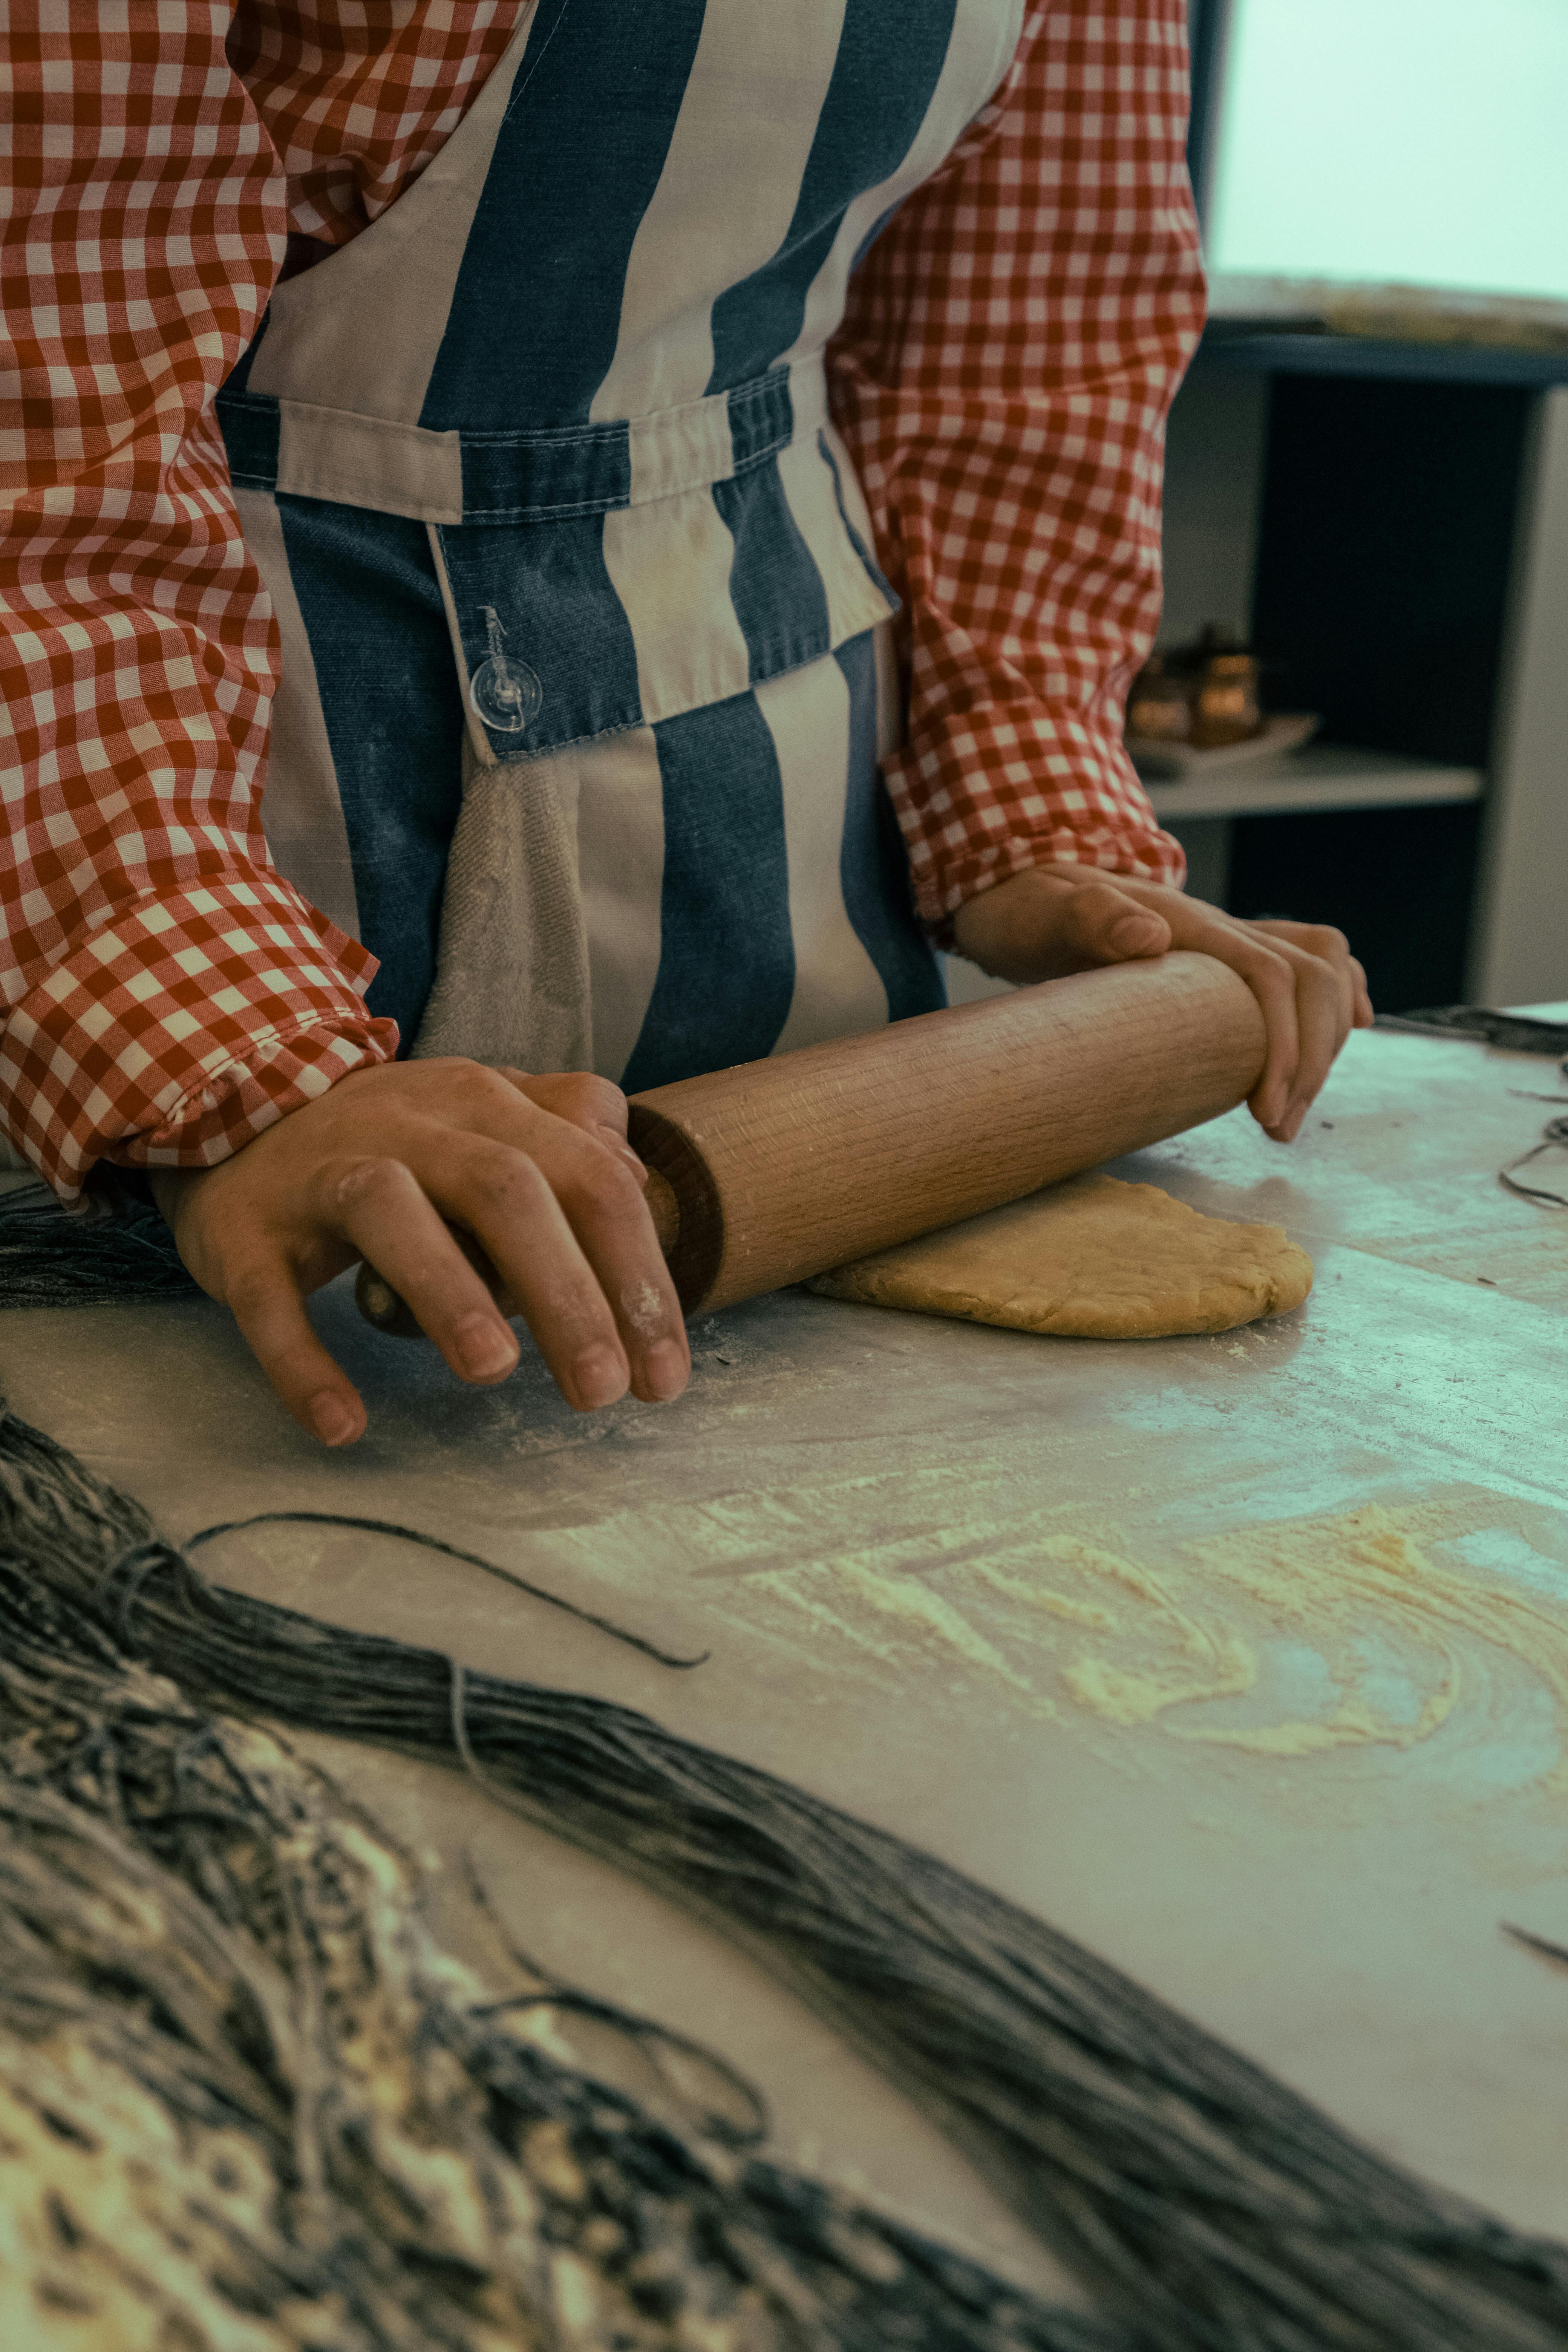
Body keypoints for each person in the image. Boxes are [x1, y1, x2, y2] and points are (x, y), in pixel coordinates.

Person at [2, 2, 1370, 1447]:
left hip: (791, 788)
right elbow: (31, 382)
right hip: (186, 812)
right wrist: (211, 1042)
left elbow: (1017, 361)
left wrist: (1026, 806)